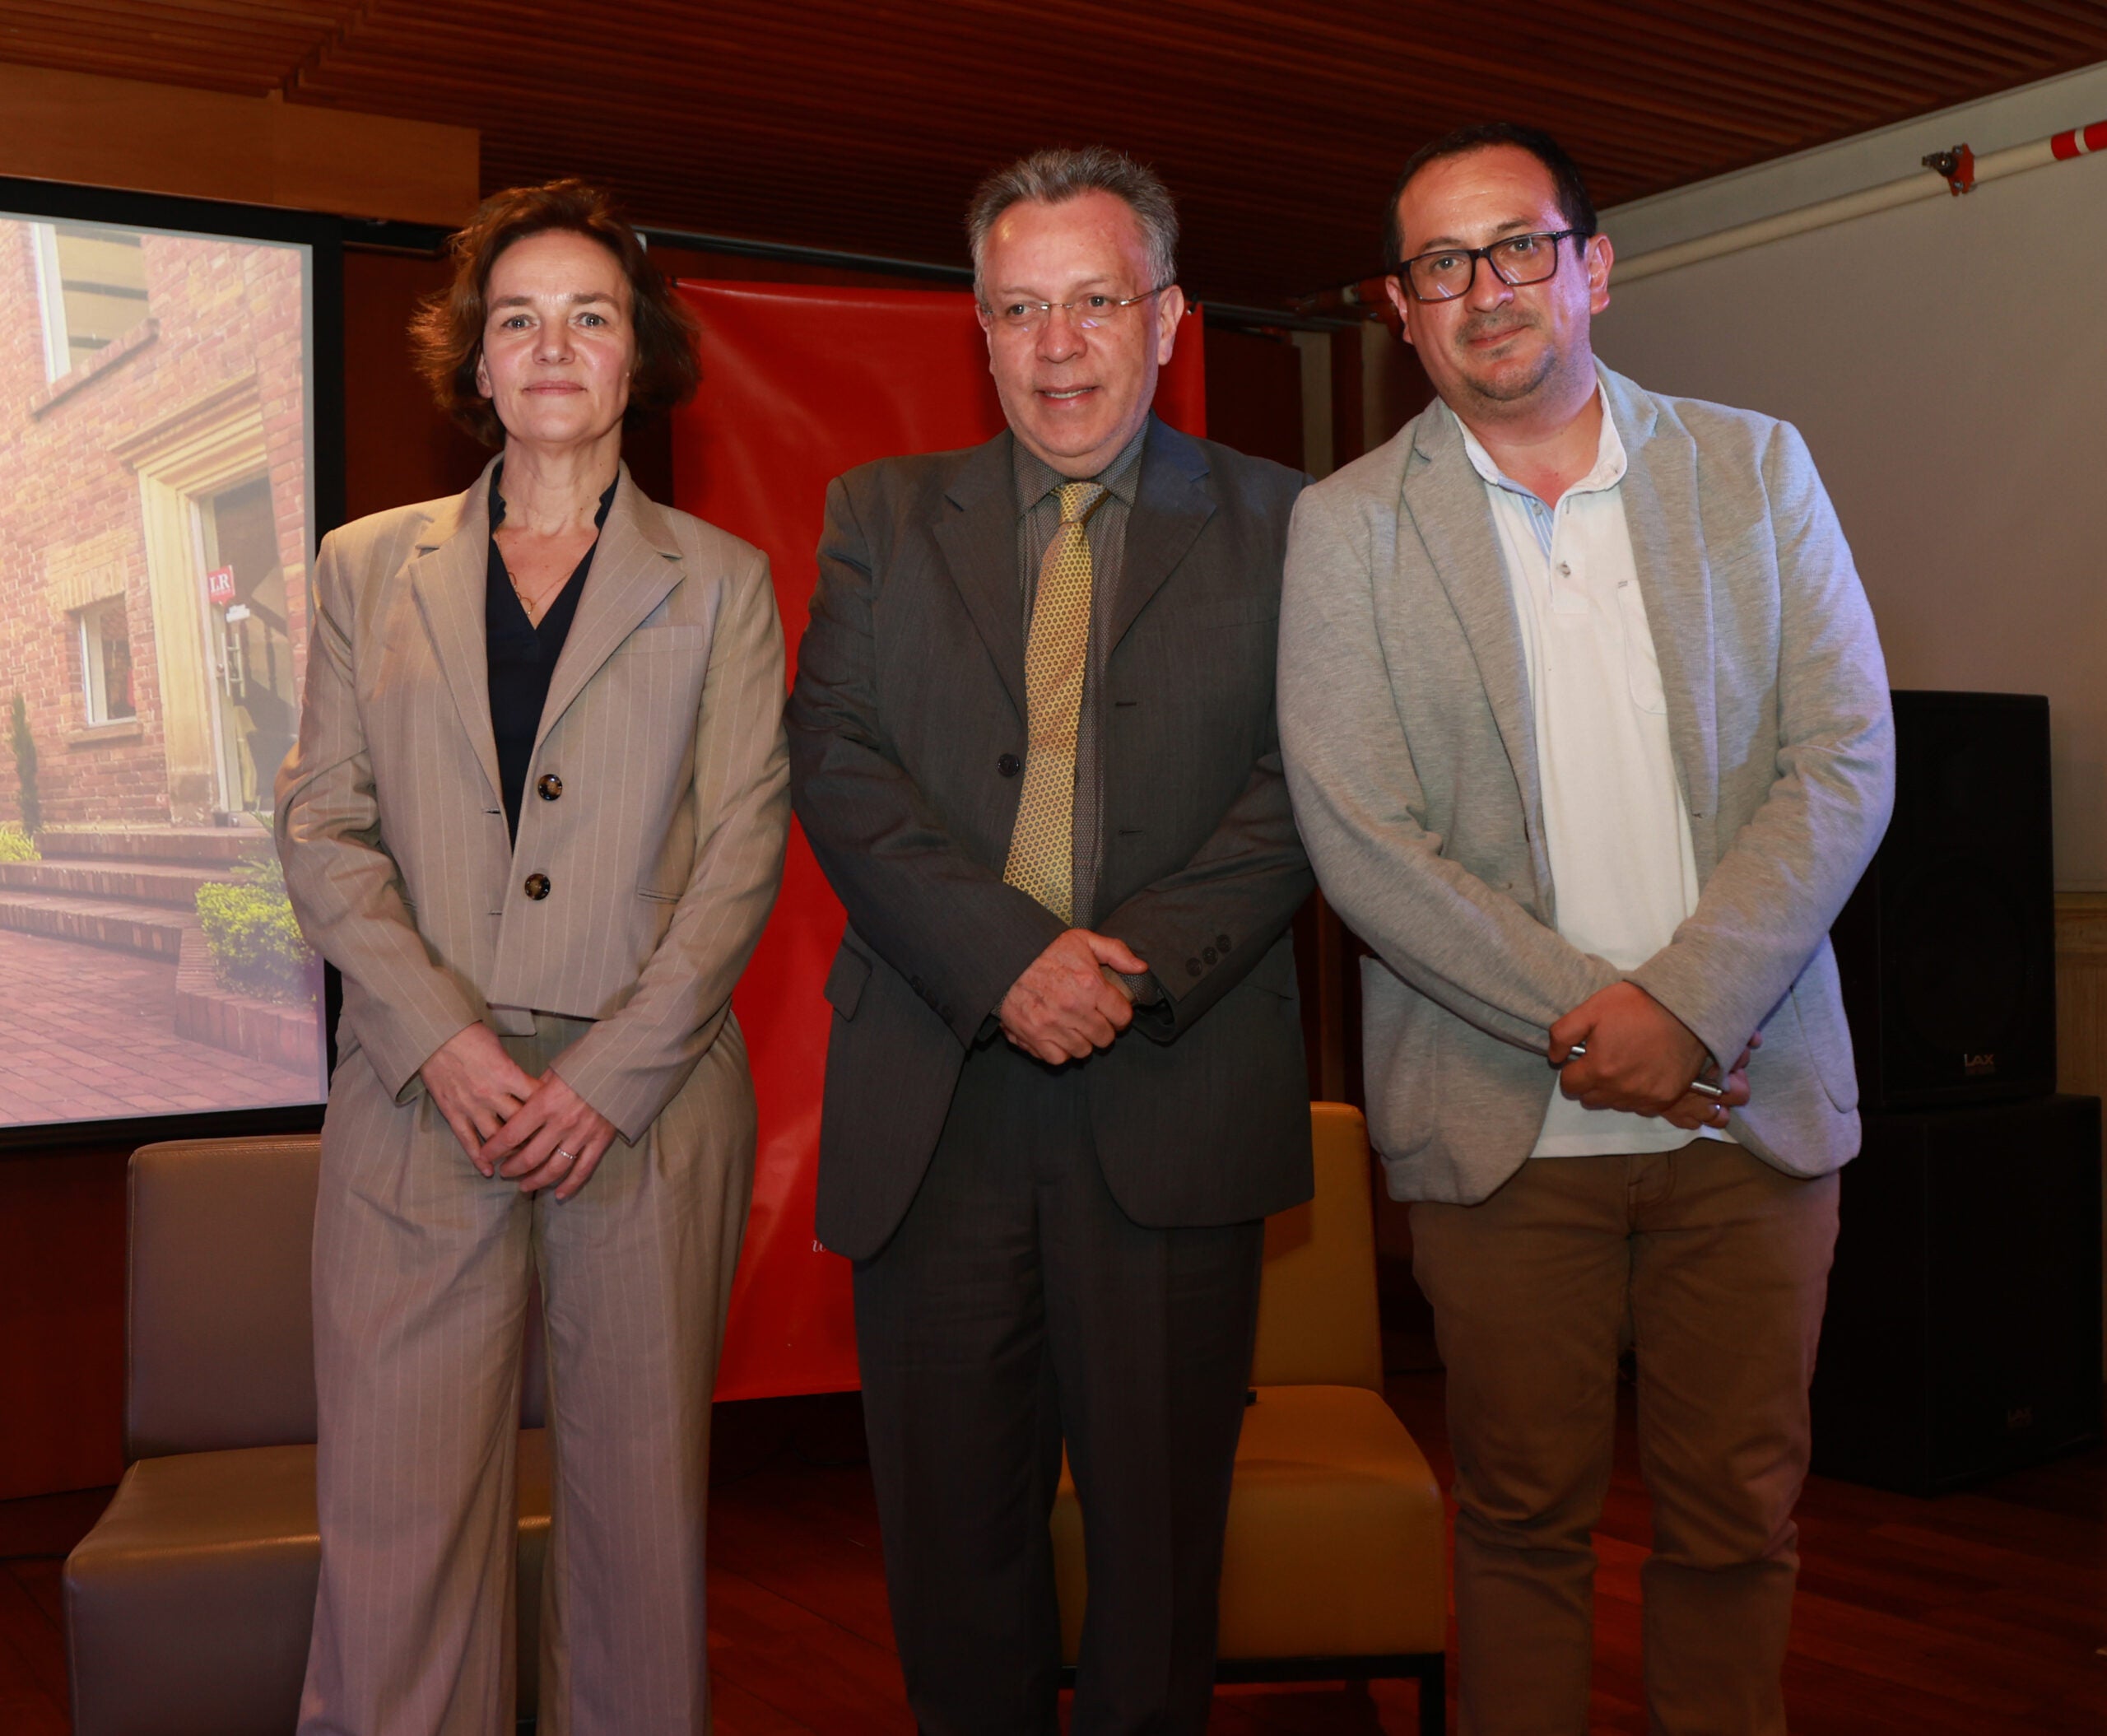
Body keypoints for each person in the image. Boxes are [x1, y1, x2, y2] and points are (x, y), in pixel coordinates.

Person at [1278, 123, 1895, 1734]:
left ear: (1592, 268)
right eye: (1440, 263)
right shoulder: (1346, 526)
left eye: (1518, 246)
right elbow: (1361, 838)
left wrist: (1684, 1008)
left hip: (1746, 1108)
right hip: (1503, 1128)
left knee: (1737, 1523)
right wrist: (1596, 1019)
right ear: (1400, 309)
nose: (1483, 287)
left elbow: (1843, 759)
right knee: (1518, 1529)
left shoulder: (1754, 467)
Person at [786, 146, 1314, 1735]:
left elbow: (1310, 785)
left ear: (1169, 318)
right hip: (933, 1102)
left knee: (1160, 1565)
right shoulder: (880, 515)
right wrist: (1010, 959)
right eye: (1021, 309)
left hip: (1173, 1089)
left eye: (1096, 301)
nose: (1060, 344)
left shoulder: (1292, 524)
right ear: (981, 328)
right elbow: (838, 762)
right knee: (954, 1567)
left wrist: (1114, 968)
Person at [276, 178, 789, 1734]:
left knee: (638, 1538)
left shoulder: (724, 582)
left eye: (590, 316)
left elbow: (741, 853)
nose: (554, 346)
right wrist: (444, 1037)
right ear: (477, 359)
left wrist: (611, 1074)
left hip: (645, 1107)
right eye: (519, 319)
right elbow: (322, 827)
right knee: (395, 1538)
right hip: (417, 1091)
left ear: (638, 357)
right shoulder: (364, 567)